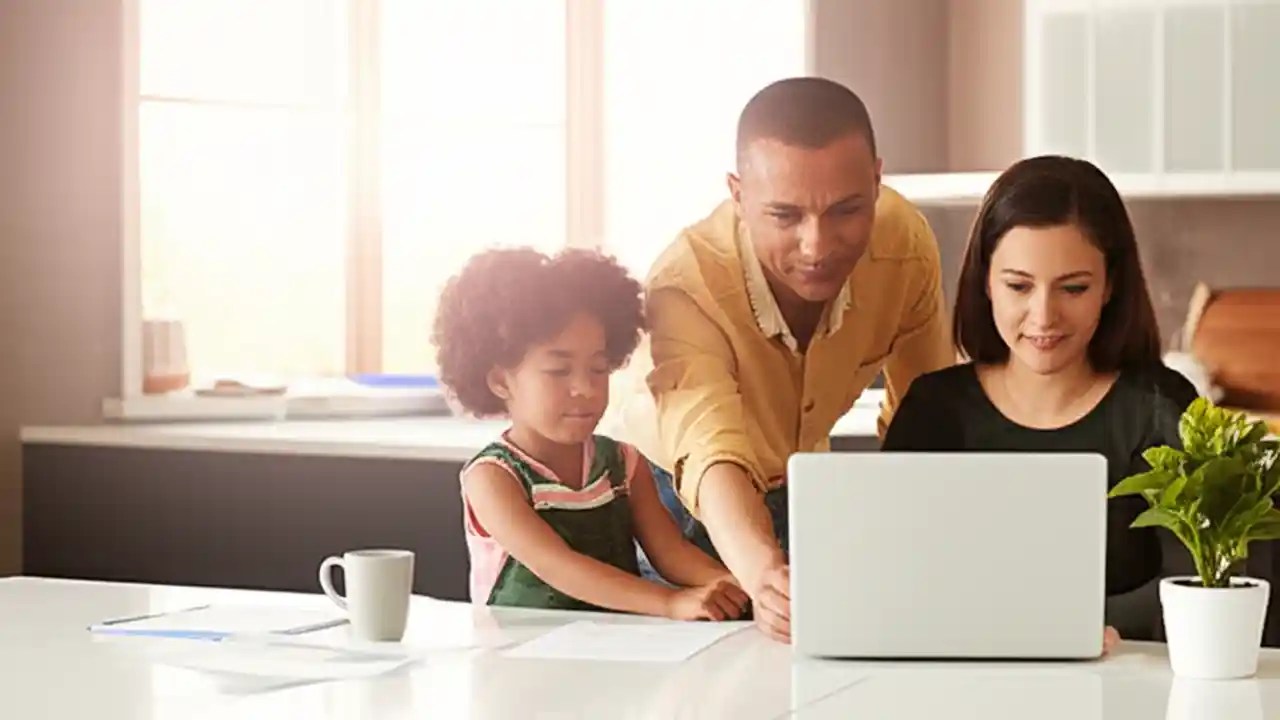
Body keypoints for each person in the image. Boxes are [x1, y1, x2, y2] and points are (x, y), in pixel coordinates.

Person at [611, 77, 954, 642]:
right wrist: (763, 575)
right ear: (738, 194)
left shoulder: (904, 242)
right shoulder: (686, 284)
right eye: (785, 216)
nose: (817, 246)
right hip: (669, 508)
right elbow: (709, 454)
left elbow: (931, 405)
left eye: (847, 210)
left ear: (876, 179)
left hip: (797, 487)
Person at [882, 155, 1200, 643]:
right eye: (1019, 286)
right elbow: (891, 576)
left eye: (1073, 288)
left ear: (1110, 286)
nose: (1044, 315)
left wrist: (1090, 628)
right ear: (986, 281)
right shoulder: (935, 411)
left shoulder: (1158, 409)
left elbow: (1206, 585)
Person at [432, 247, 749, 621]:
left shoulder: (625, 463)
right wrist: (668, 602)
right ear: (501, 380)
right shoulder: (492, 477)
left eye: (598, 369)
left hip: (614, 651)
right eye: (558, 371)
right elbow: (558, 566)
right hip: (517, 664)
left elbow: (671, 552)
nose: (584, 388)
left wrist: (742, 583)